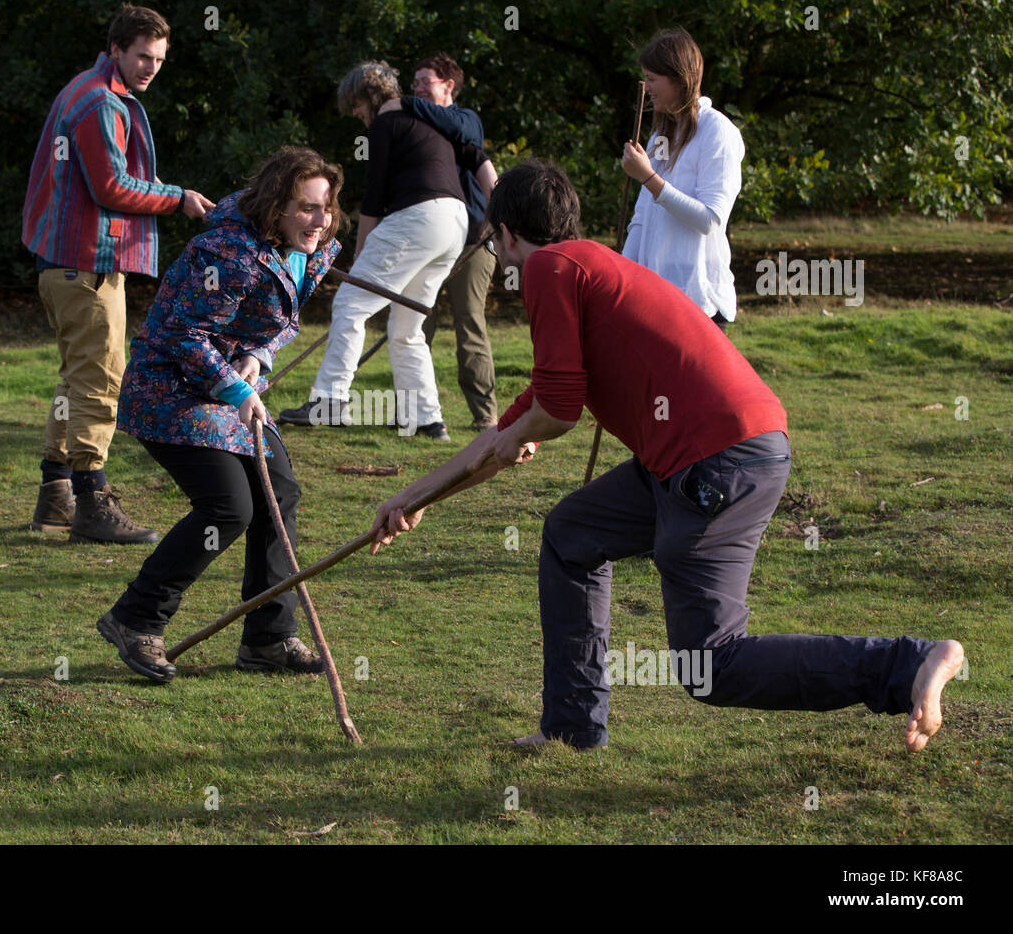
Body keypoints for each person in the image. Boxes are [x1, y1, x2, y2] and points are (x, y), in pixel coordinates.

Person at [371, 159, 965, 754]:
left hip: (715, 463)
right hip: (703, 456)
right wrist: (413, 499)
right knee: (572, 533)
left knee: (714, 664)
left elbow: (555, 413)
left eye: (494, 242)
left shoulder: (548, 268)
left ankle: (908, 664)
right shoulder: (587, 267)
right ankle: (573, 727)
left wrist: (522, 431)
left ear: (504, 233)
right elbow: (520, 422)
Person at [96, 146, 345, 683]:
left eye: (326, 208)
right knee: (229, 507)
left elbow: (285, 319)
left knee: (279, 494)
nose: (320, 221)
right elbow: (186, 333)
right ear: (277, 205)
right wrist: (237, 388)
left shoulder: (311, 249)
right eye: (306, 208)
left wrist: (259, 356)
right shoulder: (227, 251)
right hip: (169, 390)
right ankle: (135, 618)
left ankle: (269, 639)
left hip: (228, 389)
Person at [22, 4, 214, 543]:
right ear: (117, 51)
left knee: (75, 380)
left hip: (65, 264)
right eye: (142, 56)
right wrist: (179, 199)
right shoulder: (99, 102)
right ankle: (92, 502)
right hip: (86, 266)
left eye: (158, 59)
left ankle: (55, 496)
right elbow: (111, 187)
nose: (151, 67)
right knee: (101, 383)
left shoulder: (85, 89)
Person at [279, 61, 492, 441]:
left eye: (356, 107)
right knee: (407, 327)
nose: (357, 116)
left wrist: (361, 251)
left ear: (365, 97)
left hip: (419, 217)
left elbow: (375, 195)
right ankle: (427, 419)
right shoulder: (428, 121)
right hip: (455, 223)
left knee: (349, 304)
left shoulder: (386, 123)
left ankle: (330, 400)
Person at [377, 53, 500, 429]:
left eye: (425, 81)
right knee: (413, 325)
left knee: (469, 321)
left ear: (449, 85)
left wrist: (403, 103)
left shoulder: (466, 119)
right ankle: (416, 414)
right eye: (413, 83)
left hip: (473, 242)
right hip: (423, 241)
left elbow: (459, 132)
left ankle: (485, 415)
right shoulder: (415, 127)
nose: (417, 87)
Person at [621, 29, 743, 333]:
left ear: (678, 78)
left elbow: (710, 220)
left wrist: (649, 177)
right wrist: (621, 280)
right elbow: (641, 218)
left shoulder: (718, 133)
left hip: (699, 306)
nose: (646, 88)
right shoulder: (660, 137)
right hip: (657, 303)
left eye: (652, 79)